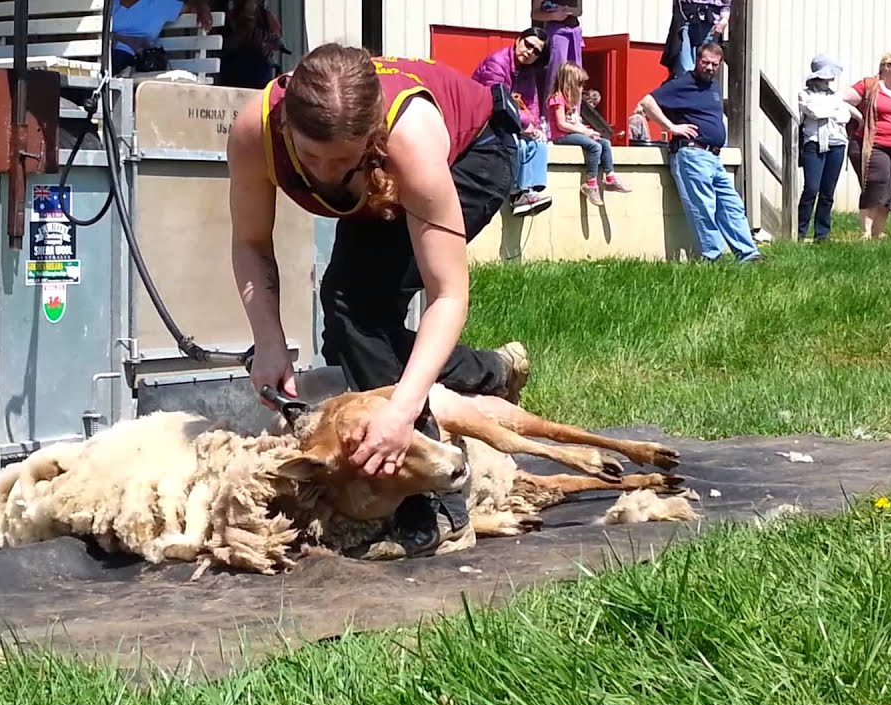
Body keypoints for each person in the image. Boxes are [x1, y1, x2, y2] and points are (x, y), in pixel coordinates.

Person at [226, 44, 532, 556]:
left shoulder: (410, 141)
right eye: (311, 157)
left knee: (355, 307)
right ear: (285, 129)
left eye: (340, 159)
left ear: (373, 138)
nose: (323, 173)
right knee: (349, 332)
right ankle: (490, 371)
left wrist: (401, 414)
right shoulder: (254, 131)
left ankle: (437, 506)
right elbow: (250, 243)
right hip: (379, 175)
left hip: (476, 151)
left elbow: (448, 294)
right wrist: (269, 342)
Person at [640, 42, 763, 263]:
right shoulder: (683, 83)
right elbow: (647, 102)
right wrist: (671, 127)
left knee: (731, 204)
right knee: (703, 206)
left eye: (714, 64)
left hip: (714, 157)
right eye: (705, 62)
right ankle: (712, 255)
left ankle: (748, 254)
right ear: (697, 61)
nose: (709, 67)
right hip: (692, 154)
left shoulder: (713, 86)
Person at [471, 28, 554, 216]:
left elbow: (531, 102)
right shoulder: (497, 63)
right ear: (518, 41)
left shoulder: (528, 71)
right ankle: (519, 194)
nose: (529, 51)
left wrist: (535, 126)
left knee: (539, 143)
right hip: (485, 117)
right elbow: (498, 100)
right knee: (517, 145)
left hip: (510, 119)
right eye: (528, 44)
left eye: (536, 51)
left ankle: (531, 191)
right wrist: (525, 124)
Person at [840, 52, 891, 240]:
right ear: (884, 66)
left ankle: (878, 231)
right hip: (875, 145)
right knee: (875, 184)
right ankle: (865, 231)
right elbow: (839, 98)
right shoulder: (869, 85)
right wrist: (858, 116)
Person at [547, 62, 631, 206]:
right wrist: (584, 132)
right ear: (570, 82)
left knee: (604, 142)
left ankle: (610, 177)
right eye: (579, 84)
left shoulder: (572, 101)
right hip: (561, 136)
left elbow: (576, 122)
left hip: (571, 132)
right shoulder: (557, 99)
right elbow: (562, 124)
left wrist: (590, 132)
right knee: (595, 147)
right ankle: (590, 183)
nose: (581, 88)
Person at [797, 53, 857, 243]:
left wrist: (829, 110)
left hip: (837, 144)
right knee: (811, 189)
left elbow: (844, 117)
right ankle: (800, 231)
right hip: (814, 143)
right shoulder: (805, 94)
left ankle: (822, 234)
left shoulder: (835, 96)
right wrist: (832, 110)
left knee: (827, 192)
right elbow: (814, 112)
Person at [110, 0, 213, 75]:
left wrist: (202, 7)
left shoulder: (160, 4)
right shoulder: (109, 4)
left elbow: (192, 6)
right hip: (102, 49)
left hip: (128, 55)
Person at [661, 0, 730, 80]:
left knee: (705, 68)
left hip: (711, 23)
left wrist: (724, 20)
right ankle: (684, 89)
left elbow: (726, 4)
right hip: (687, 18)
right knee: (685, 68)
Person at [531, 0, 583, 100]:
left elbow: (579, 10)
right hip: (557, 30)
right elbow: (535, 13)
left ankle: (574, 110)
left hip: (575, 30)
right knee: (556, 73)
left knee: (576, 73)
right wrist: (554, 15)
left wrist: (568, 10)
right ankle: (552, 109)